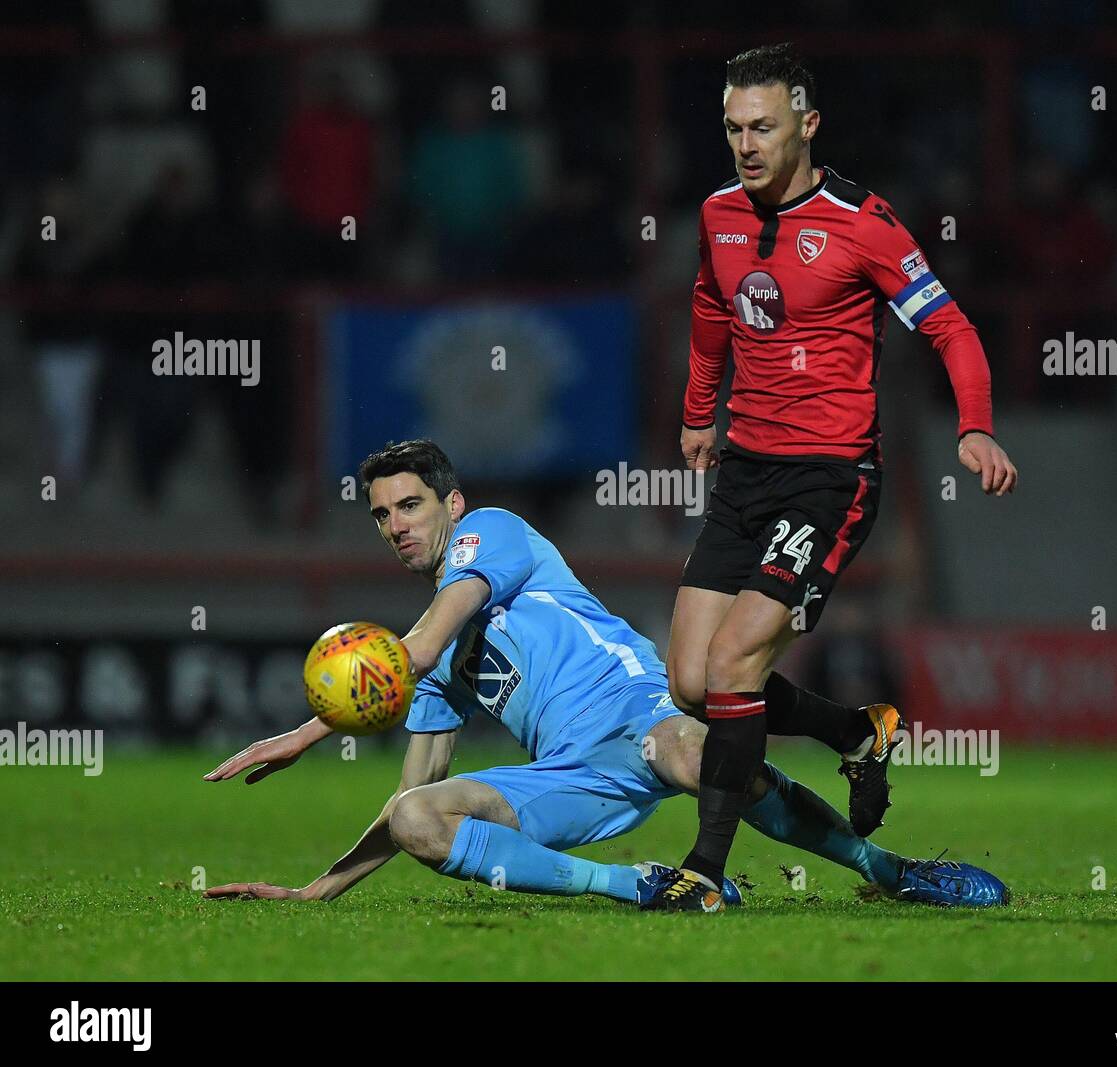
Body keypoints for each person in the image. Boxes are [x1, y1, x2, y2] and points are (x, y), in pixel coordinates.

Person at [203, 440, 1008, 911]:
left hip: (640, 714)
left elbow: (411, 652)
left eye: (409, 505)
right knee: (420, 818)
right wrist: (318, 891)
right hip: (570, 777)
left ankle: (894, 872)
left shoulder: (490, 536)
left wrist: (308, 730)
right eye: (381, 514)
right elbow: (410, 797)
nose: (396, 525)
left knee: (697, 752)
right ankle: (640, 885)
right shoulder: (438, 651)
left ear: (451, 502)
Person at [655, 43, 1019, 910]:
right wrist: (700, 407)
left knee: (737, 661)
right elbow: (712, 307)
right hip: (745, 469)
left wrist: (975, 427)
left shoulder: (865, 221)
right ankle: (855, 731)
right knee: (691, 683)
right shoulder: (718, 214)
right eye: (734, 128)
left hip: (830, 477)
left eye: (765, 127)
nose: (746, 144)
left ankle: (704, 873)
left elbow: (953, 329)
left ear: (807, 124)